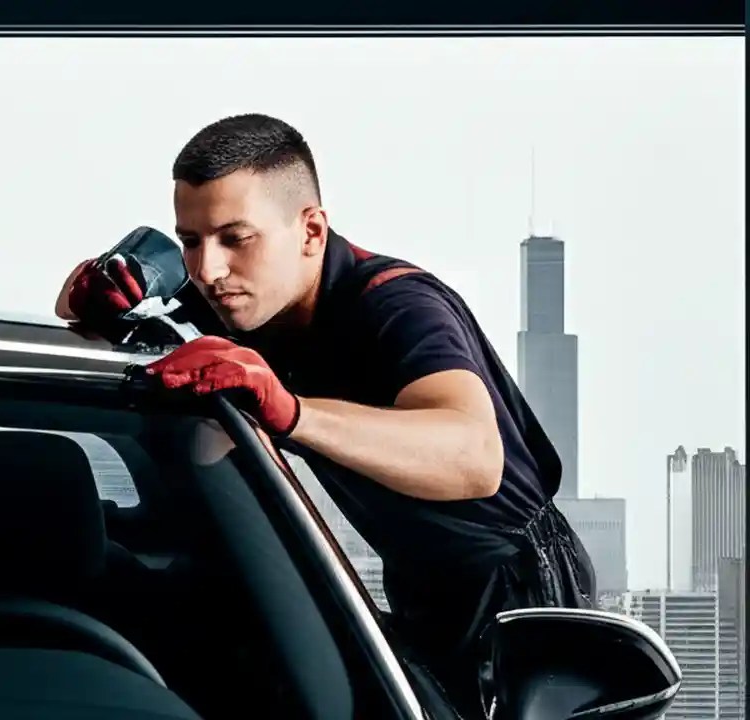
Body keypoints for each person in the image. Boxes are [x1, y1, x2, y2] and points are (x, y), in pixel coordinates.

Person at [54, 113, 596, 718]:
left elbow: (473, 459)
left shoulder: (398, 305)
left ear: (310, 231)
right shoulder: (247, 297)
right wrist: (96, 293)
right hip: (420, 590)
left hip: (519, 596)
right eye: (190, 240)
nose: (207, 270)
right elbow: (76, 316)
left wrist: (292, 412)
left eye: (236, 237)